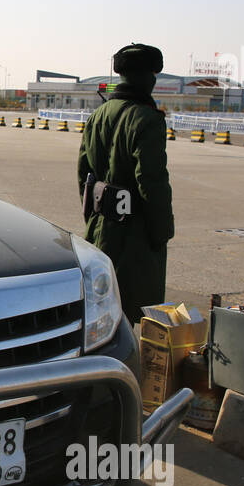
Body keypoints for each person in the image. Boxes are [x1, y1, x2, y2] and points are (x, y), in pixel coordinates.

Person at [77, 43, 174, 326]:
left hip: (99, 227)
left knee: (100, 307)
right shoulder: (147, 119)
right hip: (137, 236)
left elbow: (84, 175)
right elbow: (152, 181)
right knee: (138, 312)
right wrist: (162, 231)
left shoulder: (99, 115)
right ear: (149, 77)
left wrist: (92, 218)